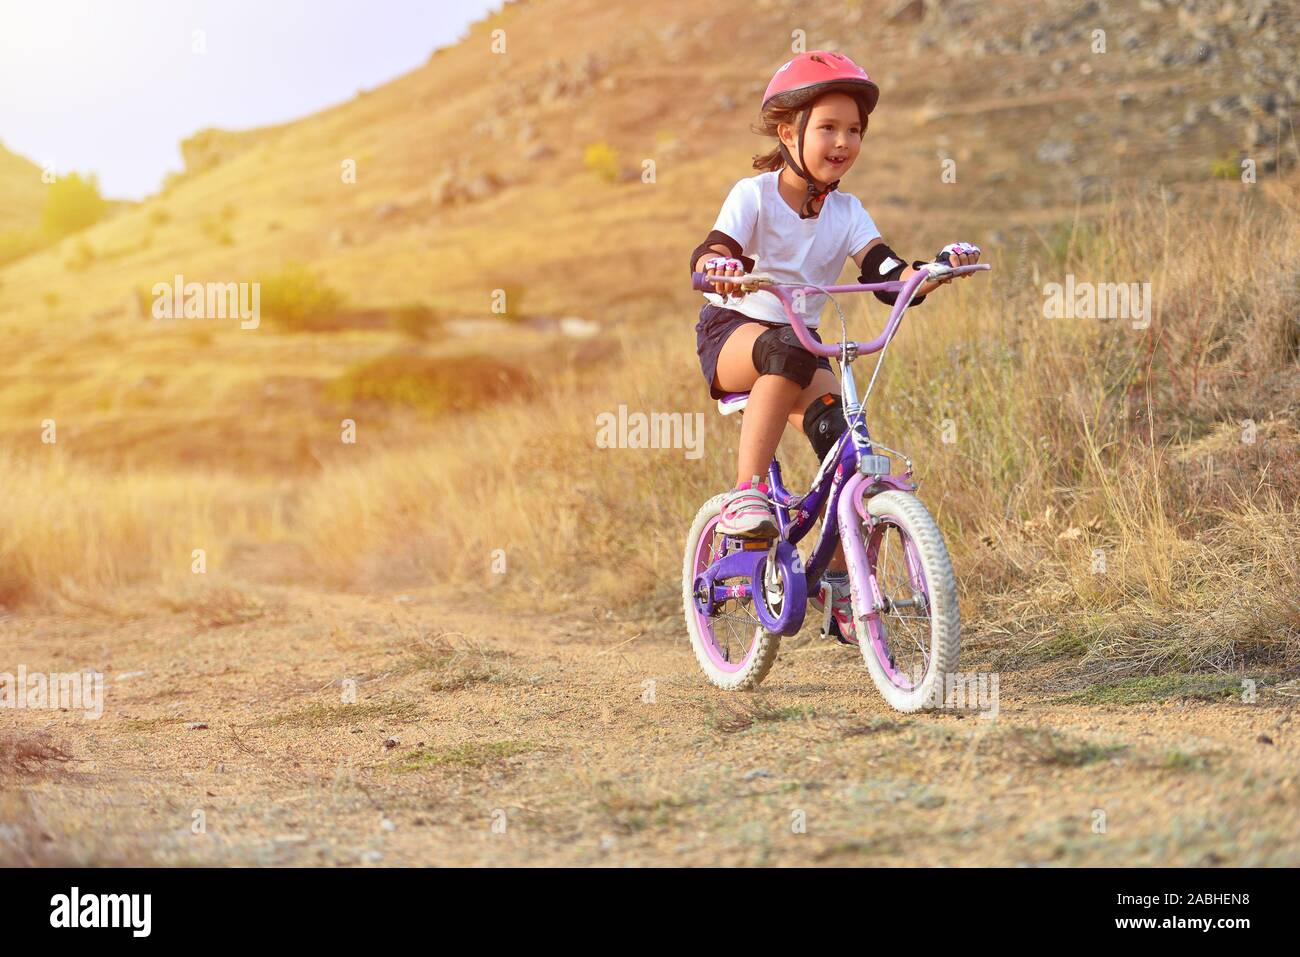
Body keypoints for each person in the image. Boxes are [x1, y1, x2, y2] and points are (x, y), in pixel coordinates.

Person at [690, 50, 980, 642]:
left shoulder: (846, 212)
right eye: (827, 127)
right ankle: (746, 499)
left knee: (845, 447)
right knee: (788, 350)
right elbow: (712, 248)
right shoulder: (754, 196)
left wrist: (930, 272)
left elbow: (884, 268)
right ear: (788, 131)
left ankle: (848, 592)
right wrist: (718, 266)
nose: (843, 141)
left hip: (801, 345)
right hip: (734, 334)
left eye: (854, 130)